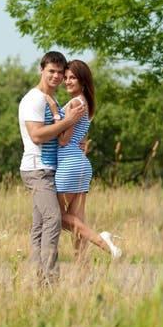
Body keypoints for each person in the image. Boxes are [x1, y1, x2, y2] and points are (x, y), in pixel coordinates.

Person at [19, 50, 86, 283]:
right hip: (37, 169)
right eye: (51, 71)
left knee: (40, 225)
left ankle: (37, 280)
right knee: (54, 219)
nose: (57, 76)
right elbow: (37, 136)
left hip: (50, 169)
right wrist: (68, 121)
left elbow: (59, 136)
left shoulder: (53, 100)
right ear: (41, 70)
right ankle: (49, 281)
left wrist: (76, 138)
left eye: (60, 72)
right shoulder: (34, 99)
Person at [54, 58, 122, 260]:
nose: (67, 81)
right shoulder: (86, 102)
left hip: (69, 164)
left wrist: (56, 119)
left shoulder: (75, 103)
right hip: (81, 164)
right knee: (77, 223)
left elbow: (64, 140)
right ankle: (82, 274)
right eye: (65, 78)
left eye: (72, 78)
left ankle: (103, 240)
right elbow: (77, 137)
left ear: (82, 80)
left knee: (56, 216)